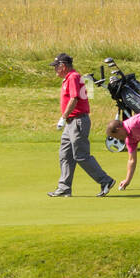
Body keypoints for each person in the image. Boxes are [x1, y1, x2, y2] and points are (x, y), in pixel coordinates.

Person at [48, 53, 114, 197]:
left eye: (56, 67)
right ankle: (64, 187)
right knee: (65, 155)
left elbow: (75, 98)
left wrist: (63, 117)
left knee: (81, 156)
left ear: (63, 66)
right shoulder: (71, 78)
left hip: (77, 121)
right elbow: (83, 96)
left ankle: (105, 181)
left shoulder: (73, 77)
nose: (55, 70)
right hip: (71, 122)